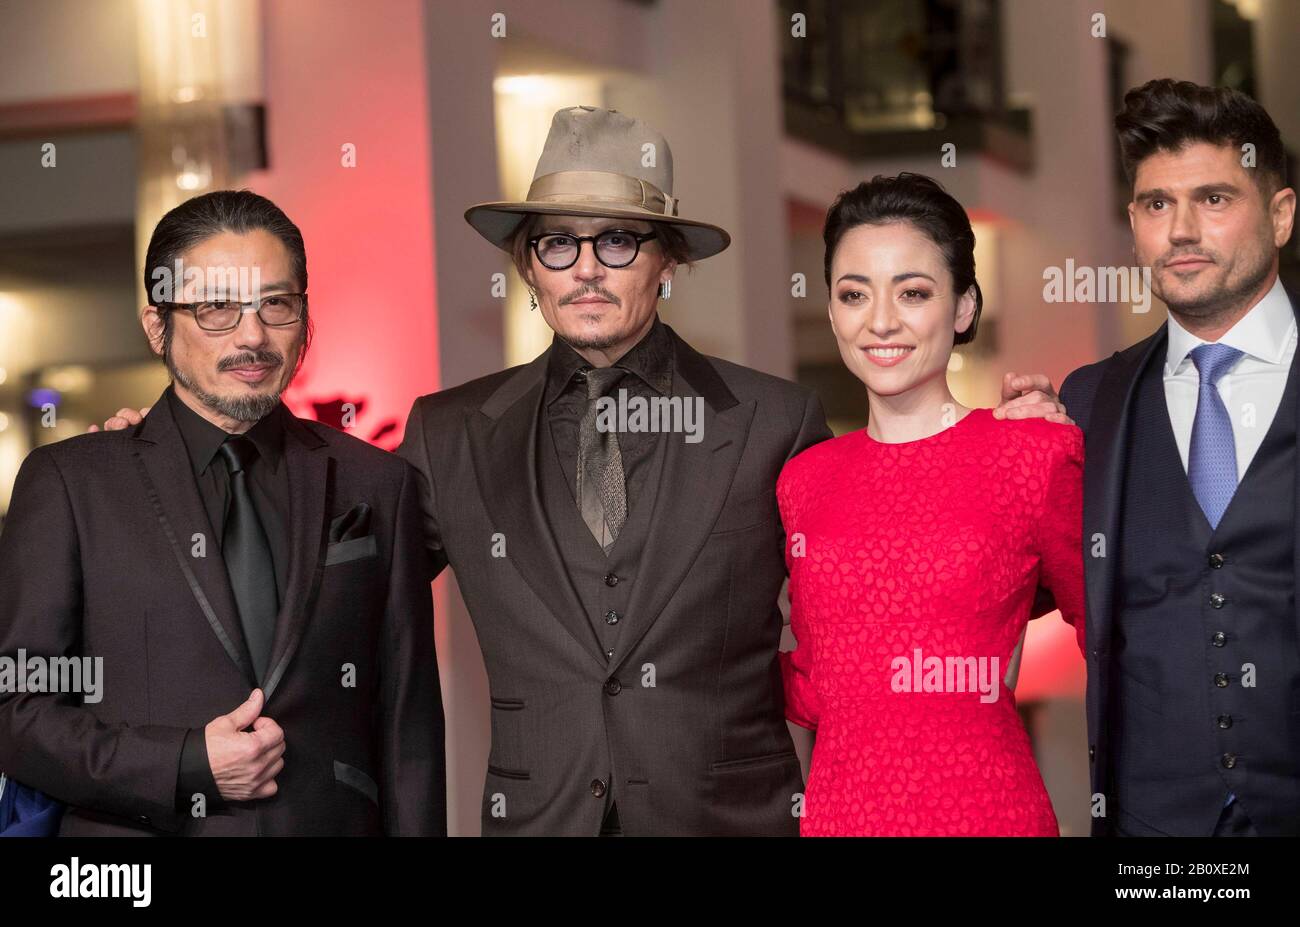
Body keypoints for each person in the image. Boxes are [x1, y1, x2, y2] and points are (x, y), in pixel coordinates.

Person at [99, 107, 1072, 836]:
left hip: (728, 821)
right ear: (528, 265)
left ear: (666, 263)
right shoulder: (449, 433)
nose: (586, 269)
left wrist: (995, 449)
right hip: (539, 820)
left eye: (617, 240)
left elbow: (892, 572)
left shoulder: (776, 420)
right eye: (556, 243)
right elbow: (329, 561)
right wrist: (193, 450)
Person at [0, 191, 445, 836]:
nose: (253, 336)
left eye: (277, 304)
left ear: (306, 318)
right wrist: (183, 763)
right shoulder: (71, 482)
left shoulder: (377, 482)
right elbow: (17, 711)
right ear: (158, 326)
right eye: (217, 307)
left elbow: (408, 726)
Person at [778, 173, 1086, 836]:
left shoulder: (1031, 453)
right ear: (830, 310)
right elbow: (810, 683)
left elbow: (1121, 639)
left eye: (913, 292)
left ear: (965, 306)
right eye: (853, 294)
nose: (880, 321)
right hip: (838, 816)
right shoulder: (804, 480)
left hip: (989, 813)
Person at [1060, 79, 1300, 837]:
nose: (1182, 230)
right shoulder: (1089, 401)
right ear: (1133, 225)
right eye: (1157, 205)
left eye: (1215, 199)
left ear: (1282, 215)